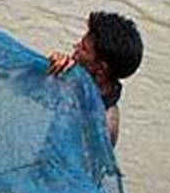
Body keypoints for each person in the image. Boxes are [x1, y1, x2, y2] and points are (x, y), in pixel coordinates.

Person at [47, 11, 144, 147]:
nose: (75, 49)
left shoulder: (103, 125)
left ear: (101, 70)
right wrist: (50, 68)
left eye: (83, 49)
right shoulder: (75, 81)